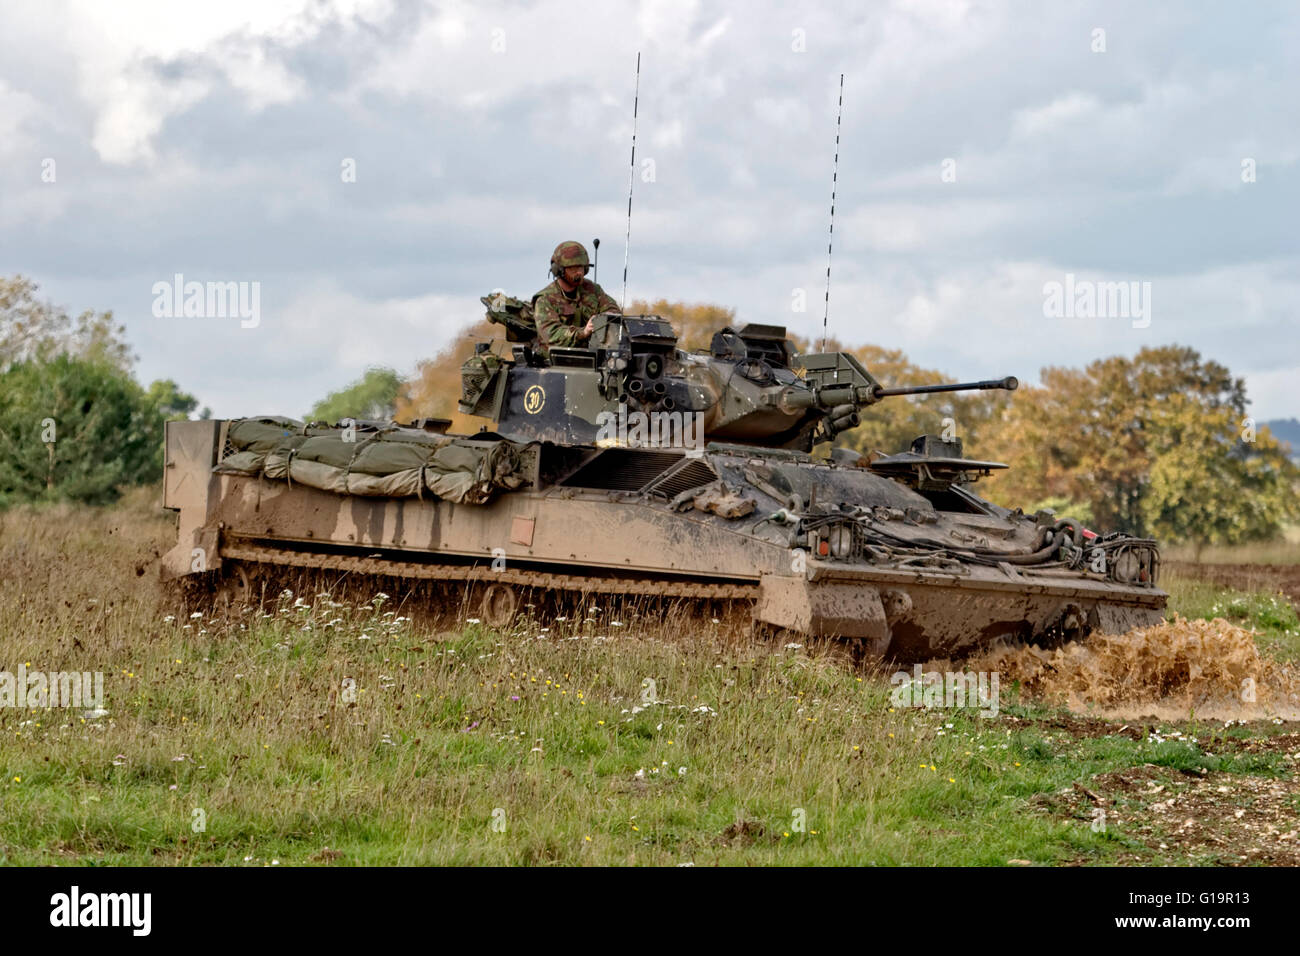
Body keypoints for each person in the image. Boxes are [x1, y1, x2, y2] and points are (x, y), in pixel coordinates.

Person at [531, 241, 620, 355]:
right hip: (555, 361)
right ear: (559, 270)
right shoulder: (545, 300)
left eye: (582, 267)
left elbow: (614, 311)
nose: (579, 272)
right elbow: (552, 335)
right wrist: (583, 332)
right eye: (573, 268)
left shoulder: (592, 290)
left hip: (591, 358)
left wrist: (601, 319)